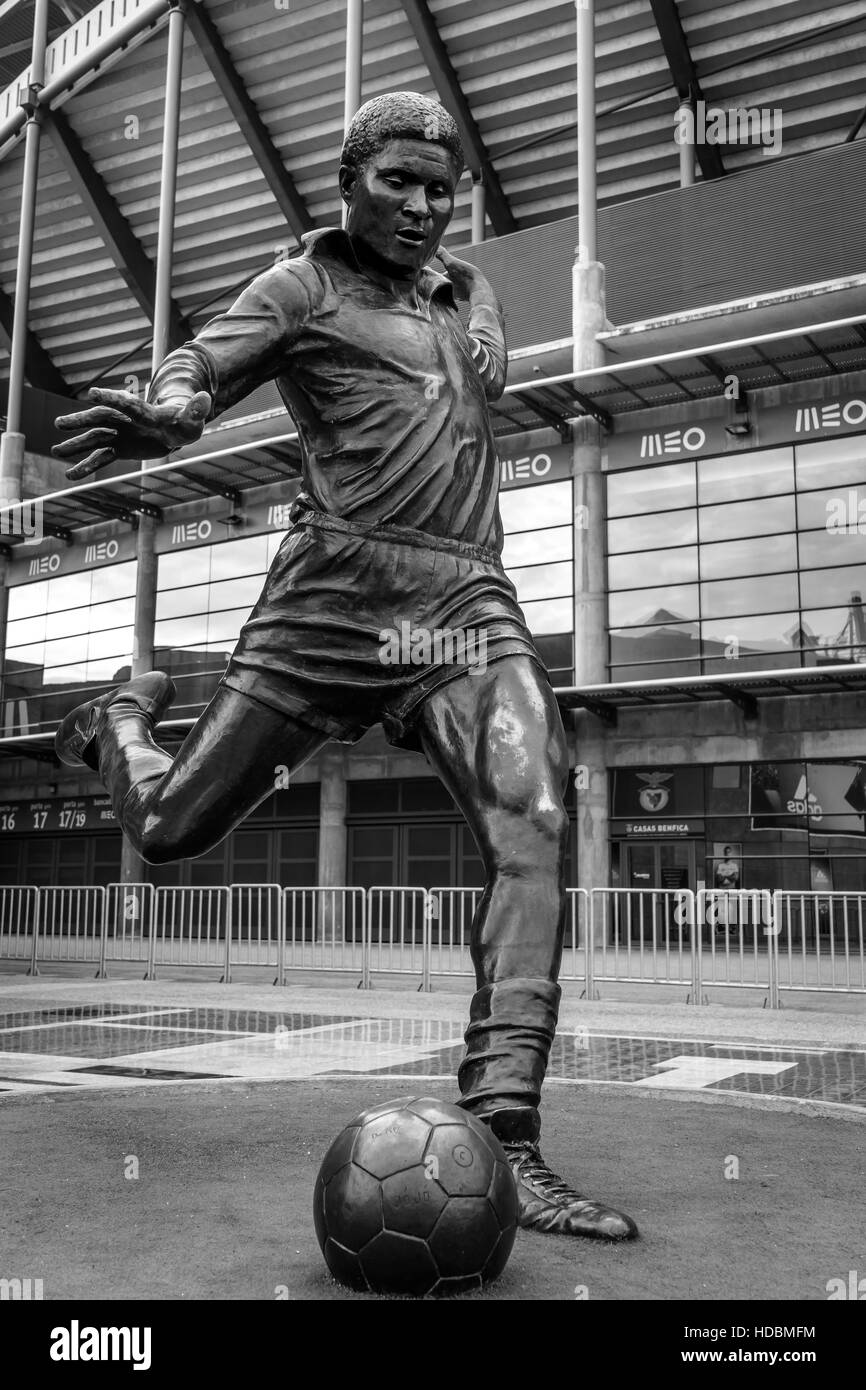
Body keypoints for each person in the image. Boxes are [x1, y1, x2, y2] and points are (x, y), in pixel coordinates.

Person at [53, 92, 637, 1242]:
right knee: (170, 827)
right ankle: (119, 719)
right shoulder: (298, 286)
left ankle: (508, 1140)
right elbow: (199, 367)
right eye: (398, 183)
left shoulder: (472, 295)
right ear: (347, 184)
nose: (421, 205)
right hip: (328, 602)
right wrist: (168, 412)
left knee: (533, 816)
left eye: (439, 186)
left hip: (459, 598)